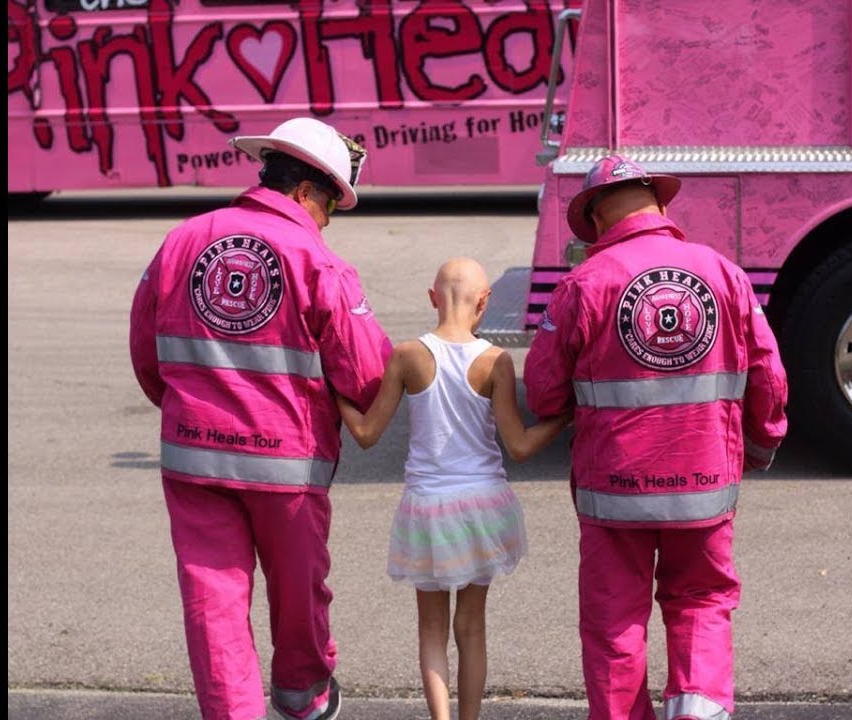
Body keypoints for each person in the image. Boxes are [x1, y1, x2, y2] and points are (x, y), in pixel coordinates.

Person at [128, 116, 392, 720]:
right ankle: (305, 697)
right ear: (305, 192)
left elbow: (147, 352)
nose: (327, 222)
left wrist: (186, 408)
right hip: (286, 466)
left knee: (212, 600)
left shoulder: (182, 241)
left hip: (195, 457)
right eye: (329, 206)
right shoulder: (318, 262)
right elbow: (367, 374)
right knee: (299, 590)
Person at [523, 156, 789, 720]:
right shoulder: (722, 272)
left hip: (613, 490)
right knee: (700, 601)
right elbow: (768, 371)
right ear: (660, 205)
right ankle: (696, 711)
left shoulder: (581, 285)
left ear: (595, 220)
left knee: (614, 622)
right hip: (704, 482)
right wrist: (762, 443)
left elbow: (543, 392)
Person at [335, 257, 572, 720]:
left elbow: (365, 434)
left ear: (431, 298)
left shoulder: (406, 356)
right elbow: (520, 446)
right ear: (485, 303)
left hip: (428, 508)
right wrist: (563, 418)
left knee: (431, 631)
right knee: (472, 627)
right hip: (484, 505)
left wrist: (335, 391)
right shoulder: (496, 361)